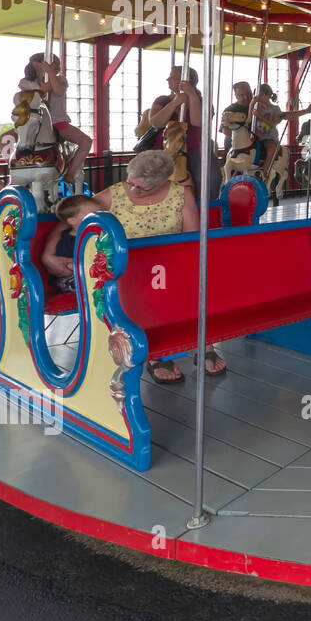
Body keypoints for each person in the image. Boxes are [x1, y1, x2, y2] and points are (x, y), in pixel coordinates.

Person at [92, 150, 224, 383]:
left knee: (196, 283)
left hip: (169, 261)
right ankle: (157, 350)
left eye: (142, 187)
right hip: (130, 267)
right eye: (130, 182)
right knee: (153, 291)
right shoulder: (113, 195)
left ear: (162, 182)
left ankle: (200, 340)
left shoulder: (180, 194)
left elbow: (191, 238)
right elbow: (82, 218)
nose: (133, 190)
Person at [148, 66, 216, 205]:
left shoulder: (204, 101)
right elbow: (156, 122)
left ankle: (205, 205)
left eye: (173, 76)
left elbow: (198, 121)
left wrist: (191, 95)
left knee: (210, 176)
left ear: (186, 79)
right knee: (146, 174)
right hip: (166, 147)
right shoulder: (162, 100)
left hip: (194, 146)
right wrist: (175, 103)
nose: (168, 79)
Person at [28, 53, 93, 184]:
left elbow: (59, 91)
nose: (57, 66)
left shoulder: (61, 80)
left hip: (58, 123)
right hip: (36, 123)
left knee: (86, 141)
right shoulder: (28, 82)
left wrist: (50, 72)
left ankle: (70, 174)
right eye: (54, 63)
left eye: (58, 63)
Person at [40, 194, 102, 294]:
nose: (99, 218)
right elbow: (68, 266)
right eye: (93, 215)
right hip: (70, 278)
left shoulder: (96, 235)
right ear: (72, 221)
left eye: (100, 213)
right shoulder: (68, 241)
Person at [249, 83, 311, 177]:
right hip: (256, 136)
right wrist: (251, 104)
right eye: (256, 95)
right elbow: (249, 119)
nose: (258, 97)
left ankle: (264, 172)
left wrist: (260, 116)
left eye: (260, 95)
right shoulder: (256, 107)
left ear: (267, 95)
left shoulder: (275, 109)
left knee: (271, 149)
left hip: (268, 137)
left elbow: (273, 124)